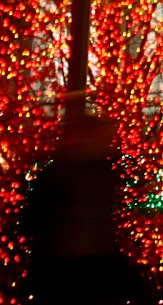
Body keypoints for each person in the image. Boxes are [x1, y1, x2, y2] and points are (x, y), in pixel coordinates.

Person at [22, 111, 147, 305]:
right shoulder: (84, 174)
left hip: (75, 268)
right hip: (76, 268)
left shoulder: (81, 173)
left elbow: (34, 221)